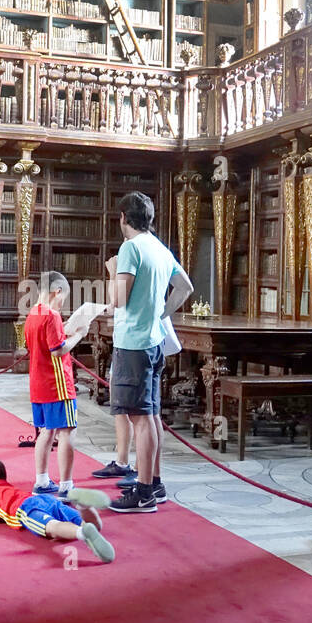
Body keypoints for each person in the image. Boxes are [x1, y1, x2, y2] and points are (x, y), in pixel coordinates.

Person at [105, 192, 194, 514]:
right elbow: (185, 287)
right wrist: (162, 314)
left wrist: (114, 269)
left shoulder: (131, 248)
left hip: (133, 344)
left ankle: (143, 492)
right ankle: (153, 483)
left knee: (139, 418)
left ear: (122, 218)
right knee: (151, 414)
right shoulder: (159, 247)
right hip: (154, 342)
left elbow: (119, 299)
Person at [0, 459, 115, 564]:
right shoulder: (7, 486)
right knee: (90, 525)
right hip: (44, 499)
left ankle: (81, 533)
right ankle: (84, 507)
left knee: (51, 527)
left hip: (24, 508)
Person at [25, 272, 90, 495]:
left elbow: (42, 343)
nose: (63, 303)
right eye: (64, 297)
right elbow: (58, 350)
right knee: (67, 432)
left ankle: (42, 481)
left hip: (38, 384)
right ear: (57, 291)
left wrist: (66, 330)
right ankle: (66, 485)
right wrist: (80, 334)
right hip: (58, 385)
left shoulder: (33, 312)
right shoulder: (51, 315)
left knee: (45, 432)